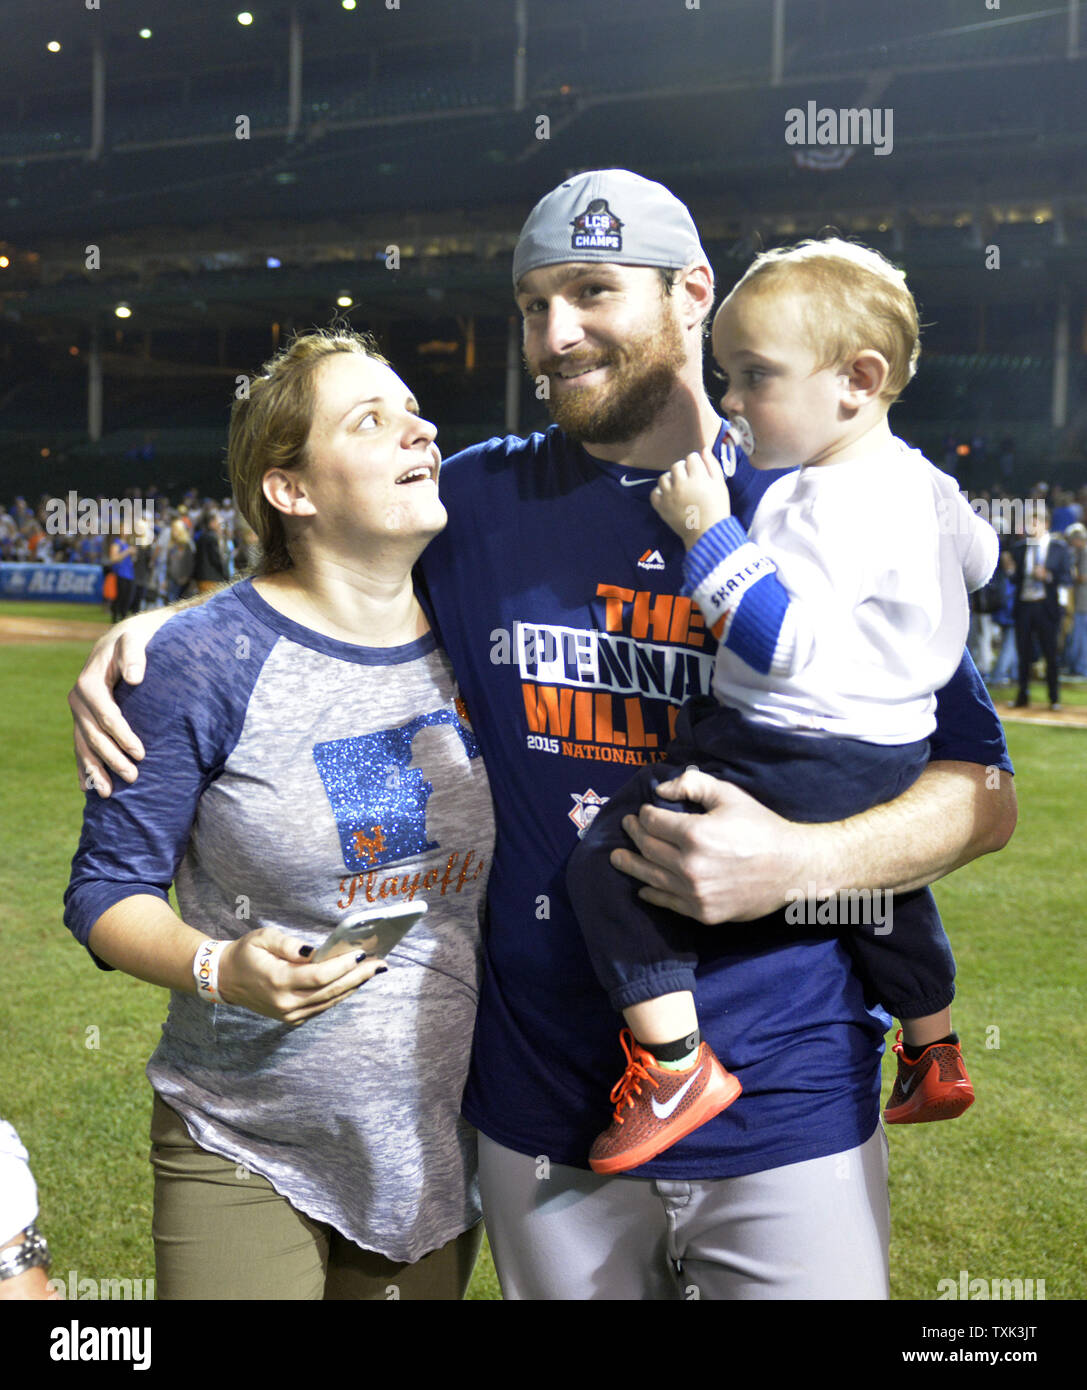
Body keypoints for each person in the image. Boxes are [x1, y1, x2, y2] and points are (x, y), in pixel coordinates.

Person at [70, 170, 1016, 1301]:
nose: (554, 335)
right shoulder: (477, 504)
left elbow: (981, 788)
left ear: (691, 294)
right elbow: (321, 571)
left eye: (591, 292)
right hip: (542, 1106)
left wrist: (804, 865)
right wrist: (164, 625)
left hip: (788, 1090)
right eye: (531, 304)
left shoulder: (819, 500)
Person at [64, 330, 493, 1300]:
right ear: (290, 490)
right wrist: (217, 968)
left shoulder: (479, 629)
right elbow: (103, 891)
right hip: (245, 1135)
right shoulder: (199, 660)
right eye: (368, 419)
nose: (416, 429)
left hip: (436, 1139)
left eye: (411, 409)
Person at [564, 238, 997, 1175]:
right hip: (889, 748)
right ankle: (934, 1046)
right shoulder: (920, 480)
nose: (729, 400)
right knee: (876, 888)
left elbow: (778, 641)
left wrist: (704, 527)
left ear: (858, 380)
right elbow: (983, 560)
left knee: (608, 863)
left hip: (788, 737)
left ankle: (675, 1067)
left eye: (754, 376)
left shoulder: (815, 499)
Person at [1010, 508, 1072, 710]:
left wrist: (1047, 576)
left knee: (1050, 654)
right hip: (1025, 606)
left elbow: (1066, 577)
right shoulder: (1020, 548)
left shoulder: (1059, 548)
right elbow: (1016, 578)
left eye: (1035, 523)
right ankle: (1022, 696)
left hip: (1046, 607)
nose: (1031, 528)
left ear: (1046, 524)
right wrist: (1010, 570)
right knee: (1023, 654)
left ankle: (1054, 698)